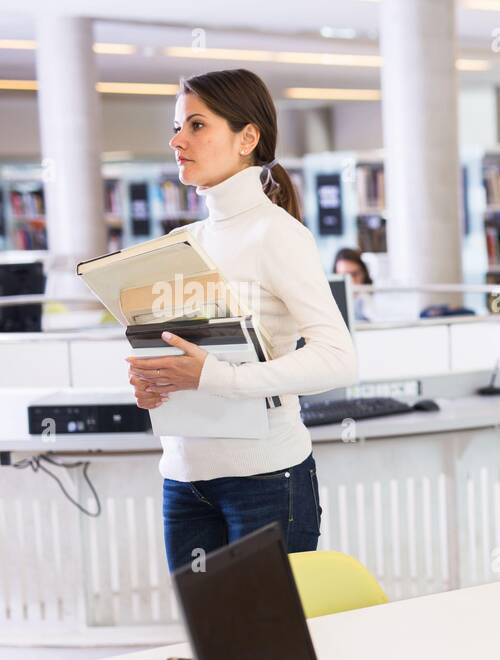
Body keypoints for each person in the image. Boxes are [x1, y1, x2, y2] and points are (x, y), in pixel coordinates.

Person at [127, 69, 358, 571]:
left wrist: (217, 377)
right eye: (176, 126)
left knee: (269, 647)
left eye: (196, 126)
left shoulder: (278, 235)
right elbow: (184, 358)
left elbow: (338, 360)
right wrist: (157, 384)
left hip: (265, 481)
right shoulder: (182, 243)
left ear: (246, 138)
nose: (176, 140)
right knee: (212, 645)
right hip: (184, 479)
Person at [332, 247, 372, 323]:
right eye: (345, 276)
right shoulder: (332, 305)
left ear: (364, 273)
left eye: (355, 274)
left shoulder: (375, 296)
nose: (352, 281)